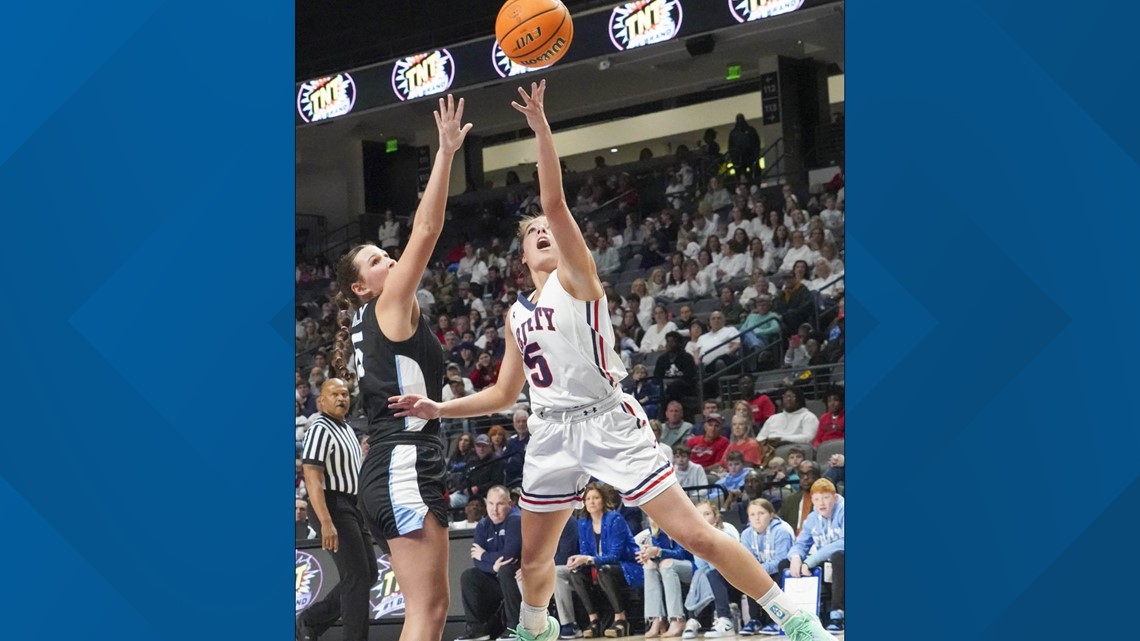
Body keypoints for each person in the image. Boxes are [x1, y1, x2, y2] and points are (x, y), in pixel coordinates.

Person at [389, 81, 836, 641]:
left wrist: (542, 129)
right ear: (522, 255)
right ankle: (535, 630)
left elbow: (554, 203)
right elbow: (504, 396)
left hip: (607, 419)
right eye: (533, 234)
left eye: (549, 229)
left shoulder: (577, 280)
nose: (544, 231)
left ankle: (793, 617)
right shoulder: (513, 314)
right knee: (533, 564)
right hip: (550, 431)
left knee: (695, 534)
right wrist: (438, 407)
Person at [331, 94, 471, 641]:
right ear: (361, 287)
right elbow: (427, 230)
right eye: (374, 259)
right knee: (428, 610)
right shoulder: (386, 305)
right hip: (402, 463)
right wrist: (445, 153)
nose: (387, 257)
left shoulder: (381, 315)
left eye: (383, 253)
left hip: (400, 462)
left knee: (431, 609)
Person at [296, 379, 377, 641]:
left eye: (344, 394)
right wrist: (325, 521)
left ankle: (310, 621)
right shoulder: (320, 428)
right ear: (321, 401)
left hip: (352, 506)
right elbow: (312, 476)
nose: (341, 398)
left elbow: (347, 471)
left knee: (369, 574)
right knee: (355, 577)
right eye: (334, 394)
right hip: (332, 506)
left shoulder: (347, 429)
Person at [566, 484, 643, 638]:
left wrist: (588, 559)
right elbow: (585, 552)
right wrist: (577, 560)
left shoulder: (614, 518)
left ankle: (620, 618)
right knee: (575, 573)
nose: (591, 502)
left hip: (626, 566)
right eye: (588, 499)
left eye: (595, 498)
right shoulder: (583, 522)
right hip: (599, 566)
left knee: (604, 570)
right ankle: (593, 620)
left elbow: (615, 556)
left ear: (603, 500)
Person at [458, 486, 524, 641]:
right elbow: (476, 559)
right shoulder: (483, 524)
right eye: (491, 504)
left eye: (500, 504)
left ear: (510, 504)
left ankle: (514, 628)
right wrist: (493, 566)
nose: (495, 509)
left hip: (519, 576)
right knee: (469, 576)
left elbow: (510, 554)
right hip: (496, 576)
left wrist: (485, 555)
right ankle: (478, 630)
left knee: (507, 569)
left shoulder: (515, 519)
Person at [786, 480, 845, 632]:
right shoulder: (812, 519)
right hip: (824, 562)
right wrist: (796, 557)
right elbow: (800, 544)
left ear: (835, 497)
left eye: (825, 497)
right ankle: (793, 618)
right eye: (817, 499)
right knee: (784, 565)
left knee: (839, 556)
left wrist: (811, 561)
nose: (821, 503)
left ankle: (837, 615)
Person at [734, 499, 795, 636]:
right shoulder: (746, 534)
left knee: (779, 567)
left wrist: (758, 570)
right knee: (747, 573)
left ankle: (776, 620)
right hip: (762, 570)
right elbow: (747, 560)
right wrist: (756, 571)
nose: (757, 518)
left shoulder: (781, 531)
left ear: (771, 515)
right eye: (752, 514)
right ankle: (755, 619)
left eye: (761, 513)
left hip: (782, 571)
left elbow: (781, 559)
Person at [636, 517, 694, 638]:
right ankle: (657, 619)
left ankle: (677, 619)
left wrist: (658, 551)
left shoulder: (681, 523)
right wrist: (648, 555)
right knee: (649, 565)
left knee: (667, 564)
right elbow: (659, 555)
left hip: (691, 566)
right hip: (667, 567)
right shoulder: (655, 526)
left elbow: (684, 553)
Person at [727, 114, 761, 180]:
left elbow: (757, 142)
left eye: (741, 119)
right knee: (741, 174)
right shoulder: (733, 133)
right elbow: (731, 146)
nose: (740, 121)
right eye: (738, 119)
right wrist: (733, 158)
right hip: (739, 158)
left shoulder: (751, 130)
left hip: (751, 155)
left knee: (754, 171)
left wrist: (756, 154)